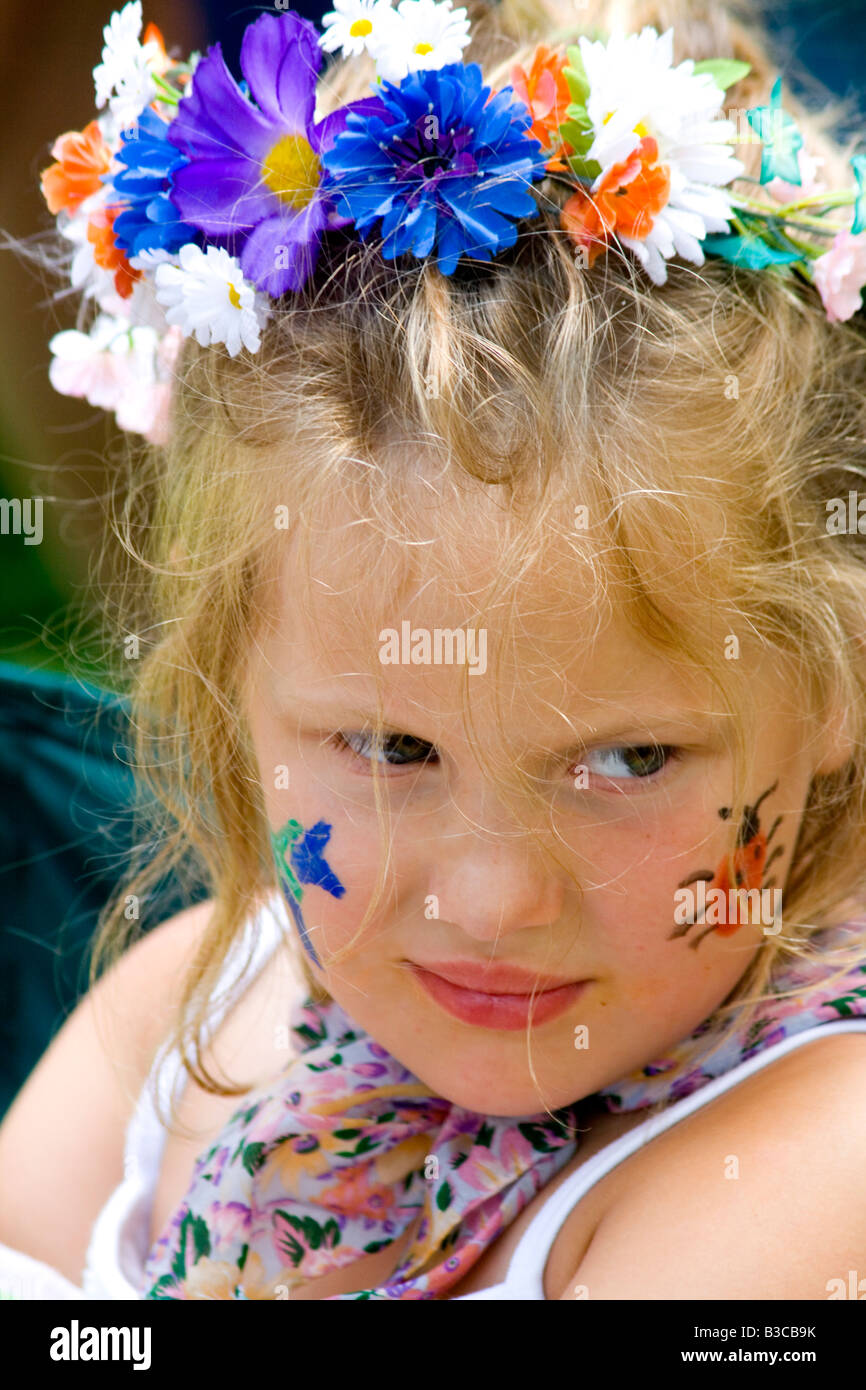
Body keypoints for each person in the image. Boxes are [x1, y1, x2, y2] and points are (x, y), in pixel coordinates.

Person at [2, 0, 866, 1301]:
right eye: (389, 745)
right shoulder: (189, 1008)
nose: (488, 898)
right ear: (229, 677)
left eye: (627, 758)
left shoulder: (815, 1163)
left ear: (836, 679)